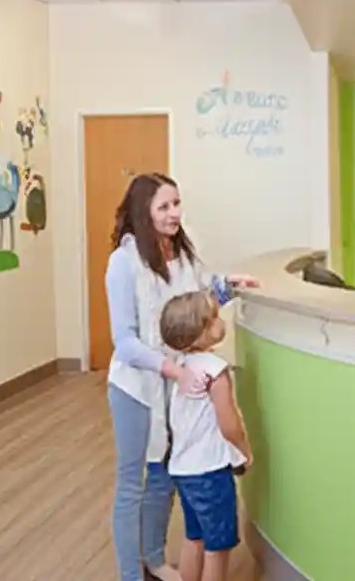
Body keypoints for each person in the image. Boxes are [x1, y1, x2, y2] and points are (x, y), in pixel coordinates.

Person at [104, 173, 259, 581]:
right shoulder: (123, 263)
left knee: (163, 478)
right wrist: (173, 369)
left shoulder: (183, 254)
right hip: (136, 388)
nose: (175, 214)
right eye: (164, 207)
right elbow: (124, 341)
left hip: (173, 388)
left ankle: (154, 559)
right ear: (144, 213)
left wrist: (228, 287)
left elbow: (197, 304)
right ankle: (130, 574)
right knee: (132, 482)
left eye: (177, 204)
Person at [159, 291, 252, 581]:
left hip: (183, 470)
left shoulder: (184, 367)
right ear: (198, 334)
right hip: (210, 472)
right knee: (217, 548)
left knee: (194, 537)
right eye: (212, 319)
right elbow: (229, 424)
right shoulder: (215, 371)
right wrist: (245, 450)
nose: (220, 322)